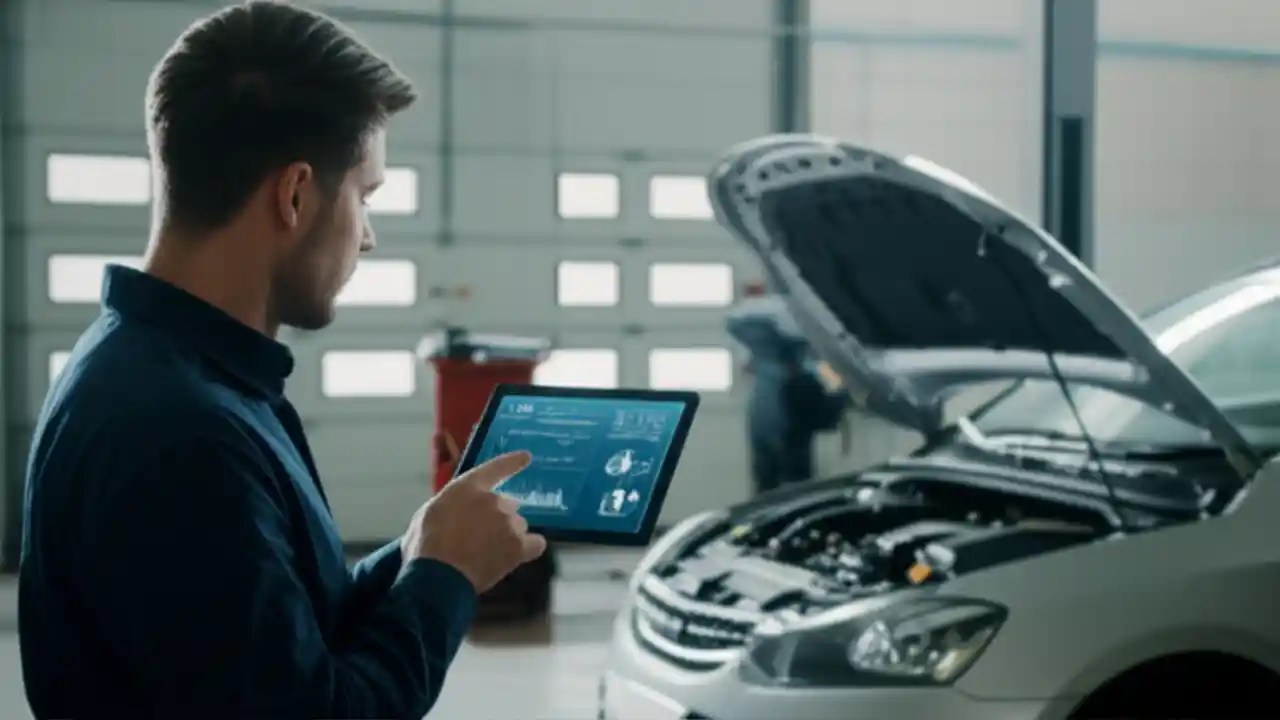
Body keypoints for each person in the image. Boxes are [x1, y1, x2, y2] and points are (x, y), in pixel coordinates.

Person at [17, 3, 545, 718]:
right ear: (295, 194)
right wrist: (444, 577)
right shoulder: (181, 434)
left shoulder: (170, 372)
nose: (368, 237)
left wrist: (422, 549)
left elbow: (278, 630)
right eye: (364, 196)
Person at [727, 285, 848, 495]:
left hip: (771, 413)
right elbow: (828, 375)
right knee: (791, 472)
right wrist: (841, 391)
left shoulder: (750, 329)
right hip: (788, 414)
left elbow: (746, 365)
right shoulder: (798, 340)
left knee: (770, 472)